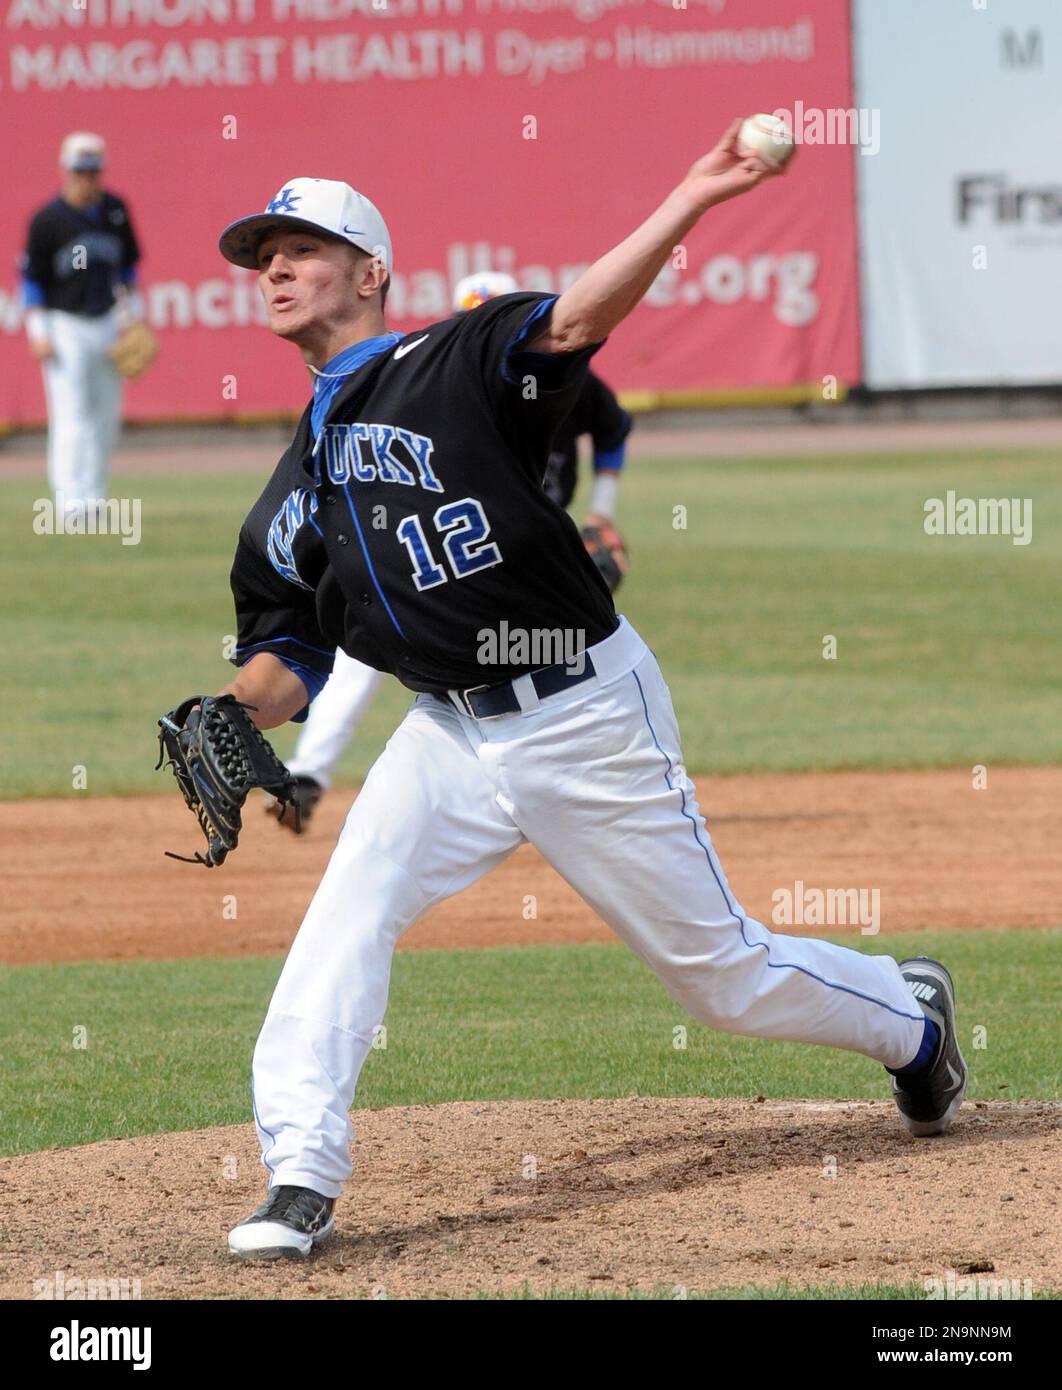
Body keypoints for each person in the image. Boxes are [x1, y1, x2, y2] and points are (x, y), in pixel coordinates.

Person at [195, 130, 964, 1261]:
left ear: (370, 275)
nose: (275, 267)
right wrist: (230, 708)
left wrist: (693, 195)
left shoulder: (452, 362)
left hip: (583, 716)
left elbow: (575, 320)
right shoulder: (296, 480)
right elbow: (288, 650)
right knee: (344, 918)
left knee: (723, 981)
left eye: (305, 246)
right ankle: (300, 1173)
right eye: (262, 252)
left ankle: (910, 1018)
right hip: (447, 734)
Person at [265, 269, 633, 833]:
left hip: (526, 561)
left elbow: (612, 431)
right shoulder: (438, 387)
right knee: (371, 648)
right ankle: (311, 773)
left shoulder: (565, 376)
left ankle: (584, 792)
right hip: (440, 551)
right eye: (470, 316)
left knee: (555, 666)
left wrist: (601, 512)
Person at [21, 132, 143, 519]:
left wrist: (130, 319)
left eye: (92, 171)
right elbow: (32, 280)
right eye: (80, 171)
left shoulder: (115, 210)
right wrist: (38, 332)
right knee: (72, 412)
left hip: (106, 321)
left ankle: (94, 495)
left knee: (106, 414)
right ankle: (69, 499)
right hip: (64, 325)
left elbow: (129, 270)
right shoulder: (47, 220)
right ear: (67, 171)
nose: (87, 178)